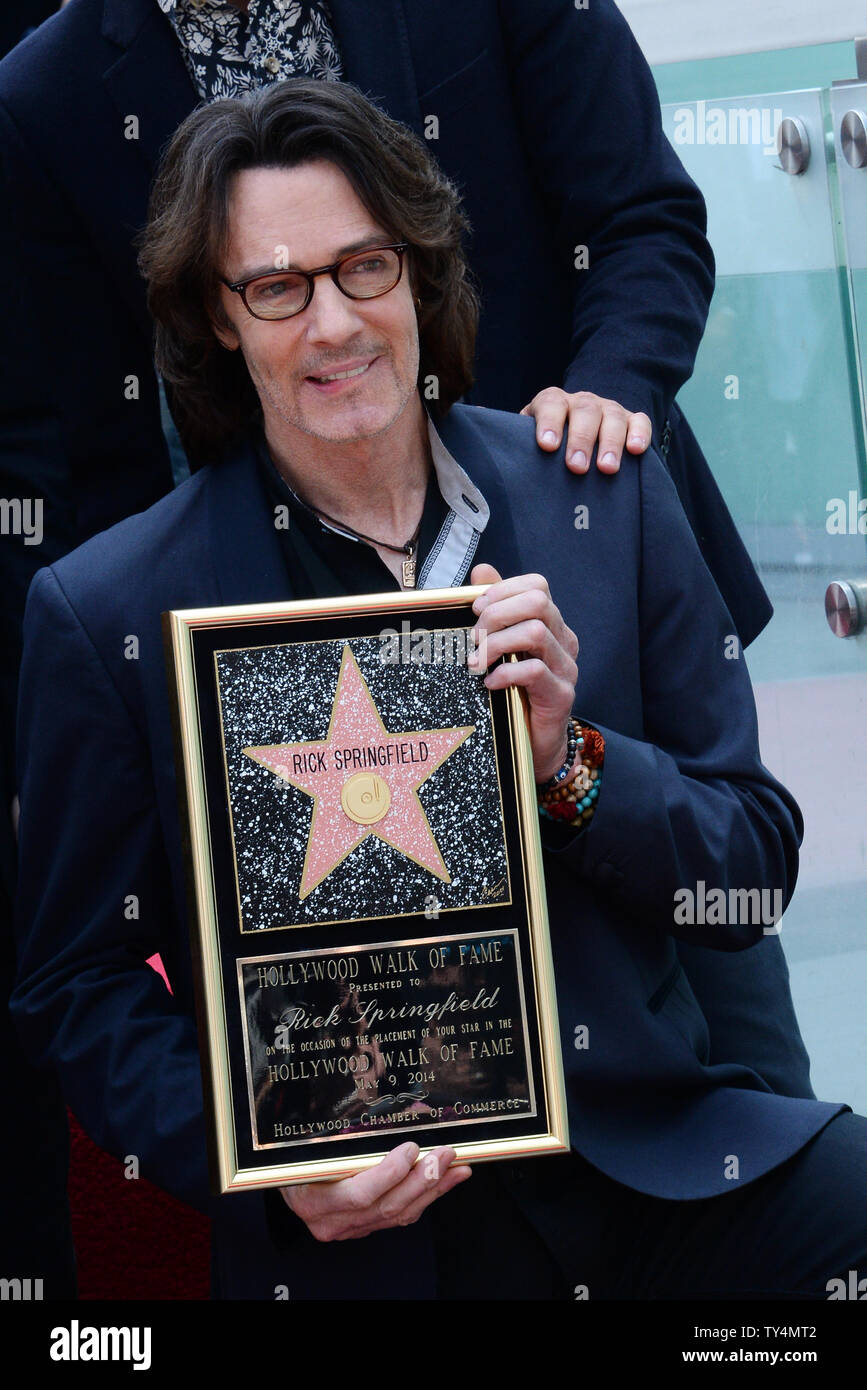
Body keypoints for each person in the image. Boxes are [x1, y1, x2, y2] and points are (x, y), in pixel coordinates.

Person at [12, 80, 866, 1300]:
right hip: (369, 1237)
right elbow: (74, 984)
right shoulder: (108, 611)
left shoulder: (604, 493)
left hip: (658, 1169)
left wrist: (572, 763)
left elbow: (752, 863)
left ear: (420, 273)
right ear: (218, 318)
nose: (331, 325)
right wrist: (266, 1165)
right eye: (276, 286)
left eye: (363, 267)